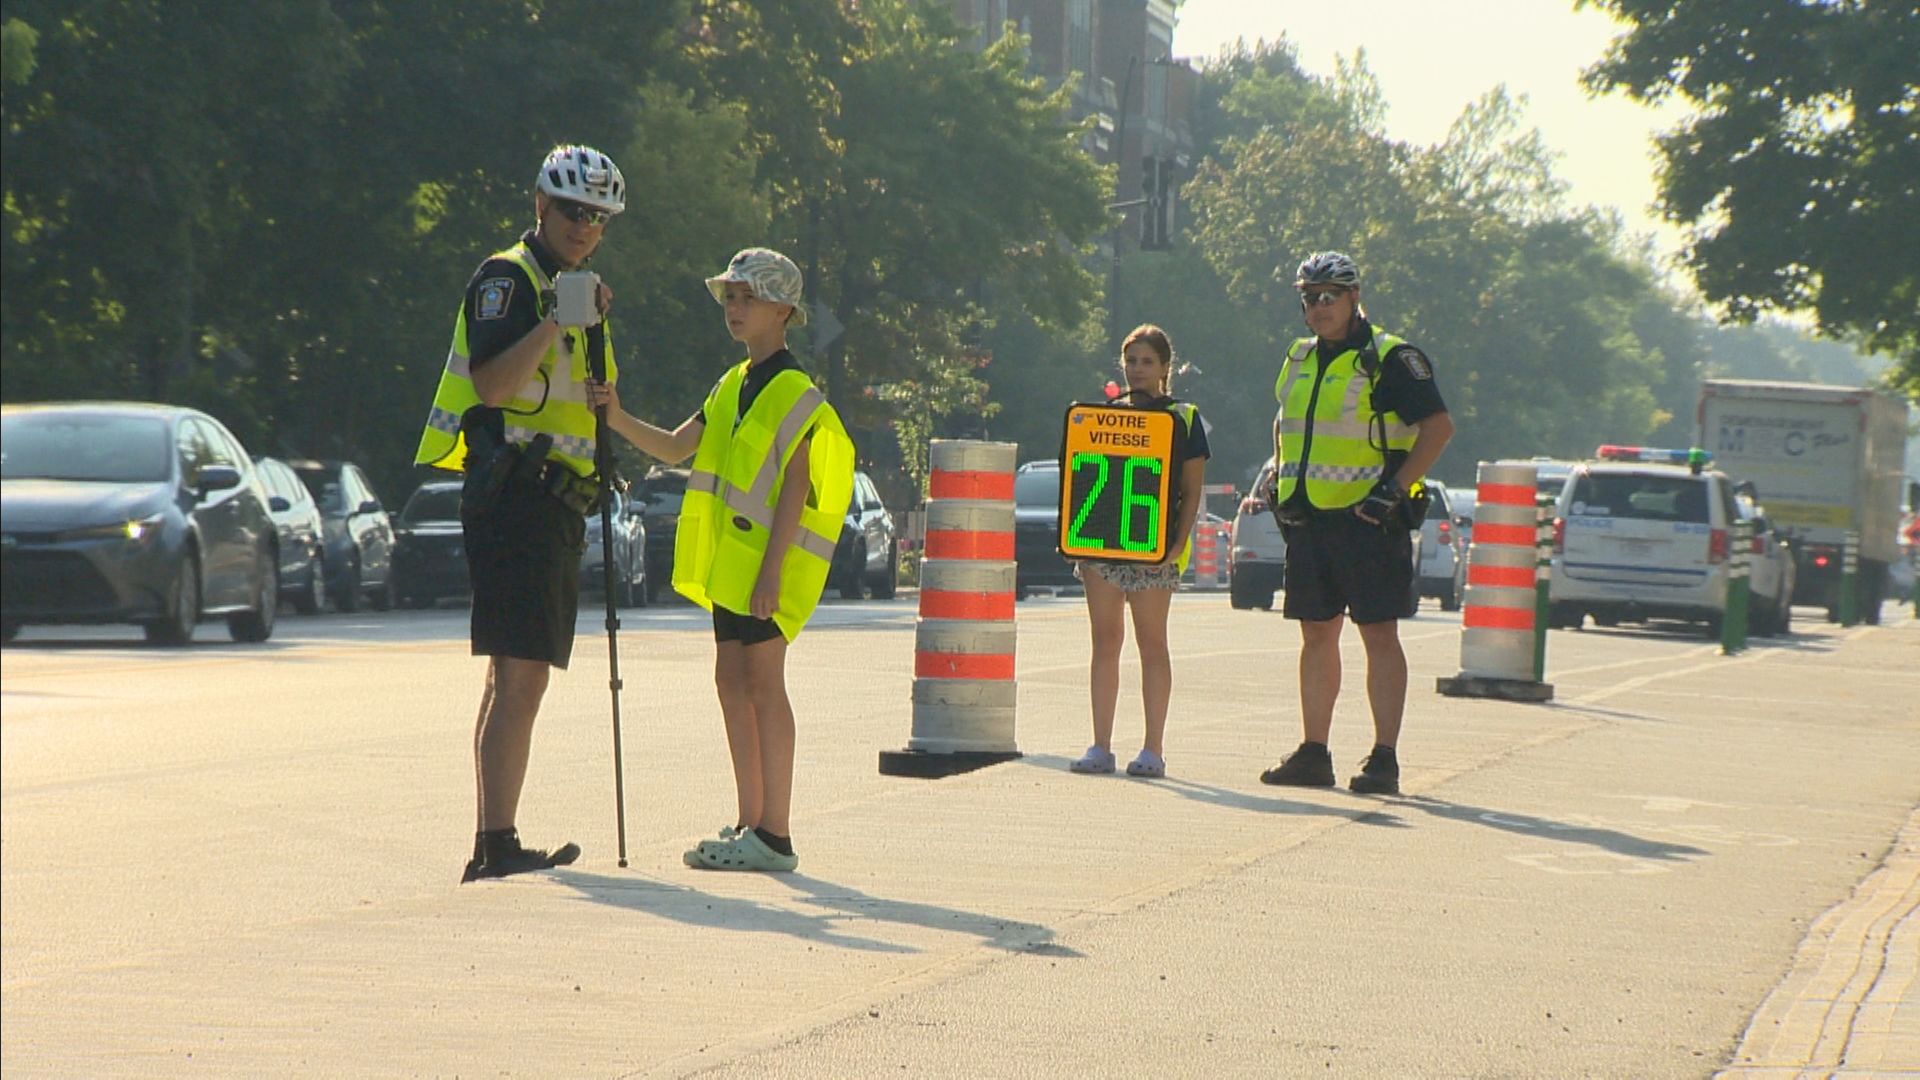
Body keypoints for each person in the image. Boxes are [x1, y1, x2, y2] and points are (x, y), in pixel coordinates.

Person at [585, 248, 854, 873]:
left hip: (764, 573)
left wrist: (771, 575)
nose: (735, 308)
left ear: (783, 310)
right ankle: (750, 821)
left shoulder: (795, 393)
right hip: (731, 571)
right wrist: (617, 417)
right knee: (731, 682)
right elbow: (679, 447)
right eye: (730, 297)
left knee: (764, 685)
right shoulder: (733, 384)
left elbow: (795, 487)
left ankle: (776, 833)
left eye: (748, 297)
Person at [415, 145, 627, 881]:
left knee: (514, 676)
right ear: (540, 203)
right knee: (521, 678)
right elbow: (494, 385)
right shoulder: (509, 279)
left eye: (598, 218)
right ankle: (496, 843)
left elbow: (593, 396)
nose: (585, 227)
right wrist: (554, 322)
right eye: (573, 211)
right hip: (515, 494)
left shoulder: (577, 289)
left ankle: (493, 838)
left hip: (559, 502)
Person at [1257, 251, 1454, 796]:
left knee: (1378, 635)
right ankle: (1314, 753)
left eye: (1329, 297)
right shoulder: (1299, 357)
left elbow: (1438, 427)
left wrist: (1394, 490)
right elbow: (1287, 424)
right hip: (1310, 520)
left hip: (1369, 521)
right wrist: (1277, 476)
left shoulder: (1390, 358)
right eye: (1309, 298)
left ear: (1354, 297)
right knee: (1316, 635)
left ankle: (1384, 758)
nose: (1318, 308)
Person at [1069, 325, 1211, 779]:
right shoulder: (1102, 416)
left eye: (1147, 361)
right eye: (1131, 361)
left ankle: (1153, 747)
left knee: (1153, 643)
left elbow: (1191, 490)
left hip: (1153, 551)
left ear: (1166, 367)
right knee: (1105, 641)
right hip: (1102, 545)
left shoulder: (1184, 418)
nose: (1138, 369)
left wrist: (1178, 543)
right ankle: (1100, 744)